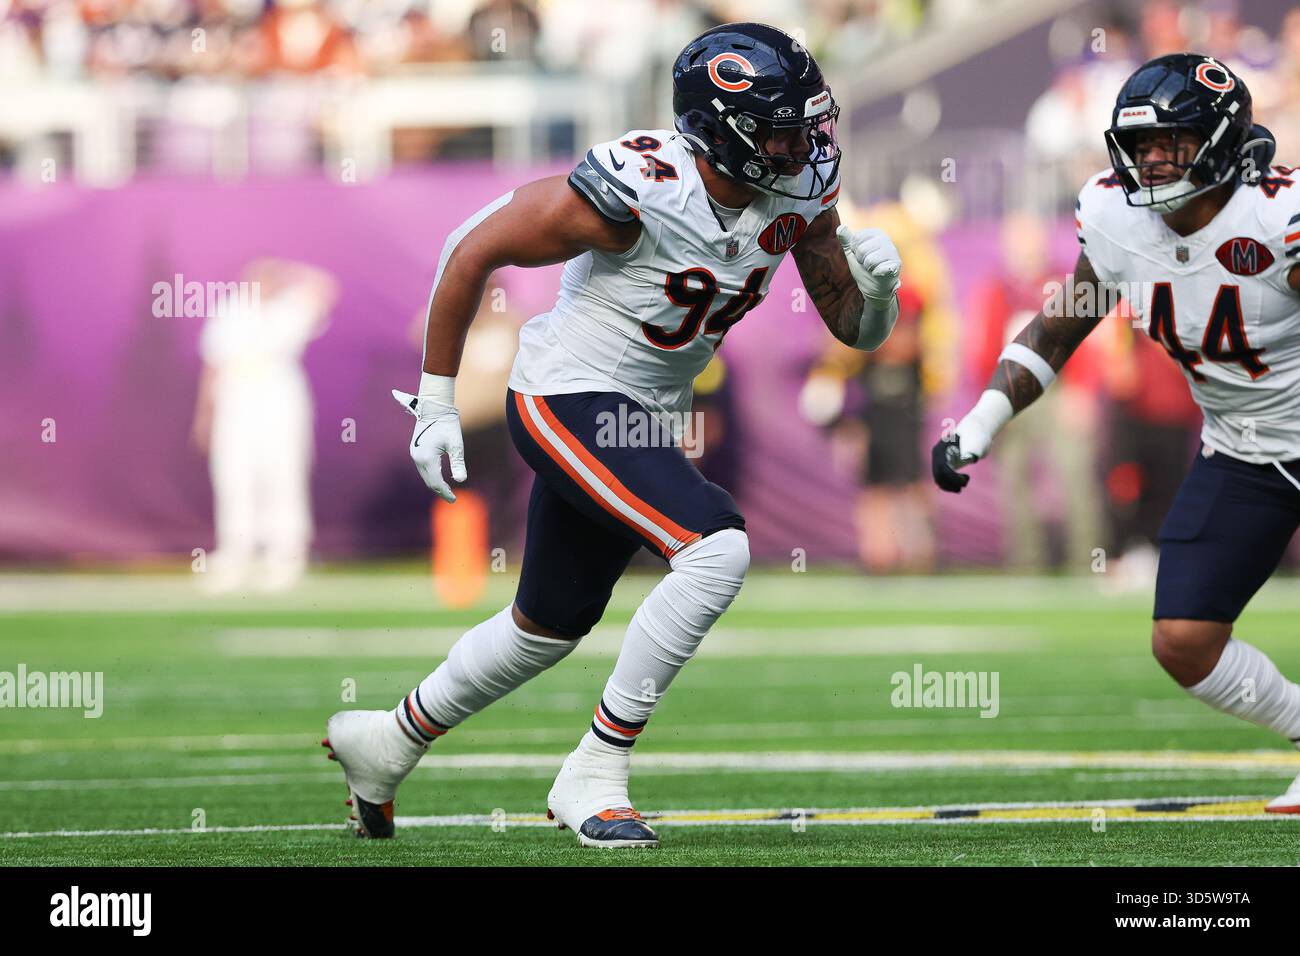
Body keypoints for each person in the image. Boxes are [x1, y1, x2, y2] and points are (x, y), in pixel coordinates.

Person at [323, 22, 903, 847]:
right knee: (716, 548)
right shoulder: (641, 187)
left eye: (808, 124)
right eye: (781, 129)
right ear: (720, 131)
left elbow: (852, 324)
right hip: (566, 394)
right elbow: (470, 249)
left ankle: (385, 742)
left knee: (546, 626)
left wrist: (877, 297)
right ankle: (595, 769)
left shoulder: (801, 192)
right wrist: (436, 400)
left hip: (638, 412)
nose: (803, 144)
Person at [932, 54, 1300, 813]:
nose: (1152, 162)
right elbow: (1064, 324)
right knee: (1184, 639)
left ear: (1225, 141)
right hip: (1242, 450)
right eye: (1141, 147)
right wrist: (982, 420)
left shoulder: (1276, 218)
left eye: (1173, 142)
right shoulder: (1111, 214)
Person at [192, 258, 336, 593]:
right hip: (235, 403)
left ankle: (285, 555)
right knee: (234, 477)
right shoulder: (231, 310)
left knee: (283, 475)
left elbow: (326, 286)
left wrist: (289, 271)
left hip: (279, 403)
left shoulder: (291, 310)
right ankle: (236, 554)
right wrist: (204, 414)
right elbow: (213, 362)